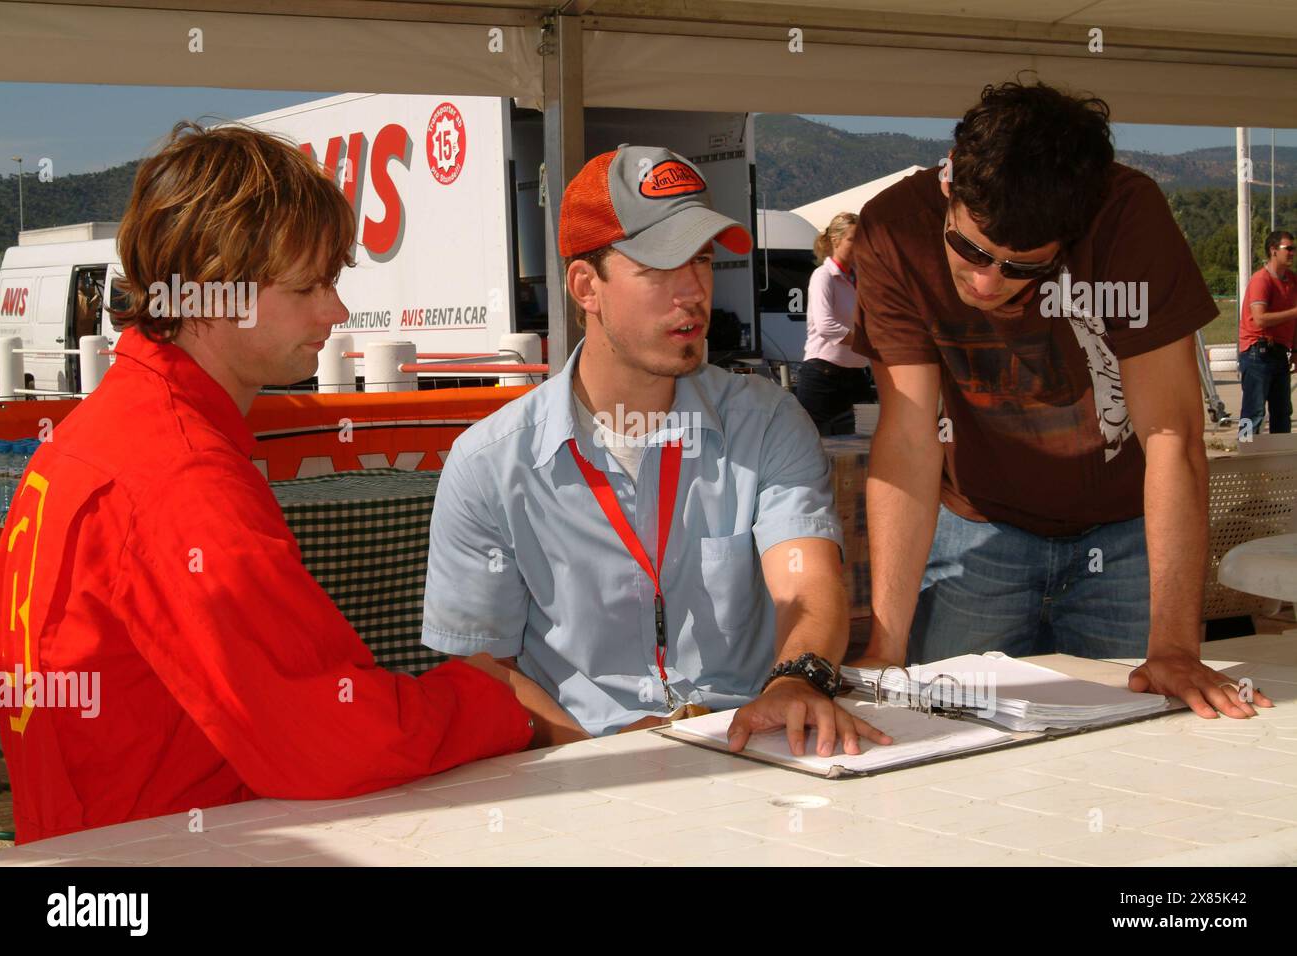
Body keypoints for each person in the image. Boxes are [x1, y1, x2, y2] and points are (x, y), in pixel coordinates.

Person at [0, 121, 550, 845]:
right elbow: (329, 738)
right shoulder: (178, 471)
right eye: (310, 285)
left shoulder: (97, 433)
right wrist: (498, 701)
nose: (337, 311)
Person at [422, 145, 891, 756]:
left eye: (701, 260)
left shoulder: (767, 420)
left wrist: (797, 682)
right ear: (586, 286)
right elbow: (482, 666)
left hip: (752, 745)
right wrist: (596, 747)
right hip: (581, 772)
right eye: (660, 267)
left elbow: (807, 583)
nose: (694, 291)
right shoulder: (489, 464)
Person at [849, 79, 1272, 720]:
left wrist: (1177, 646)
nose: (988, 282)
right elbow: (908, 436)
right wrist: (884, 646)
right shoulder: (893, 230)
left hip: (1127, 536)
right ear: (950, 182)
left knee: (1138, 746)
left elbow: (1173, 436)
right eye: (969, 250)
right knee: (949, 739)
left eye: (1023, 267)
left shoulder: (1128, 214)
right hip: (979, 531)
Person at [795, 212, 875, 434]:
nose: (859, 245)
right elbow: (826, 326)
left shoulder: (860, 278)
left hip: (856, 378)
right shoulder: (823, 276)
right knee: (819, 450)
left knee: (856, 452)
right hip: (823, 378)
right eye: (853, 239)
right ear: (835, 241)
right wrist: (867, 340)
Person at [1237, 229, 1296, 437]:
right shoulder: (1261, 280)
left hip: (1279, 353)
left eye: (1293, 249)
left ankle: (1280, 464)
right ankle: (1245, 453)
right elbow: (1260, 318)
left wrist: (1295, 349)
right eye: (1288, 248)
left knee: (1282, 413)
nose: (1292, 253)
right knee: (1253, 412)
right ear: (1273, 250)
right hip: (1257, 352)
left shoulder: (1292, 280)